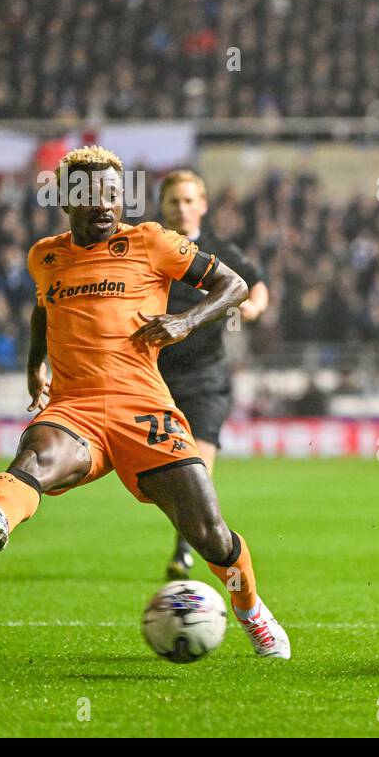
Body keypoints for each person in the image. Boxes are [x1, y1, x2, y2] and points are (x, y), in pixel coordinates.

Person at [0, 146, 290, 658]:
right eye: (90, 195)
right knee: (35, 458)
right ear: (65, 200)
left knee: (209, 535)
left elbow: (233, 284)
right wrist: (35, 363)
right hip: (75, 408)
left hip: (143, 408)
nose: (105, 204)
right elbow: (43, 310)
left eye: (112, 193)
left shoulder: (151, 241)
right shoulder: (45, 256)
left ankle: (252, 611)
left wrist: (187, 320)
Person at [156, 170, 269, 579]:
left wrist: (254, 307)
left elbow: (256, 283)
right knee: (163, 478)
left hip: (206, 377)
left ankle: (184, 548)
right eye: (174, 201)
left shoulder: (219, 251)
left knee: (198, 466)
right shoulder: (149, 247)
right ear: (162, 206)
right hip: (155, 379)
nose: (182, 208)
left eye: (189, 201)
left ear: (202, 205)